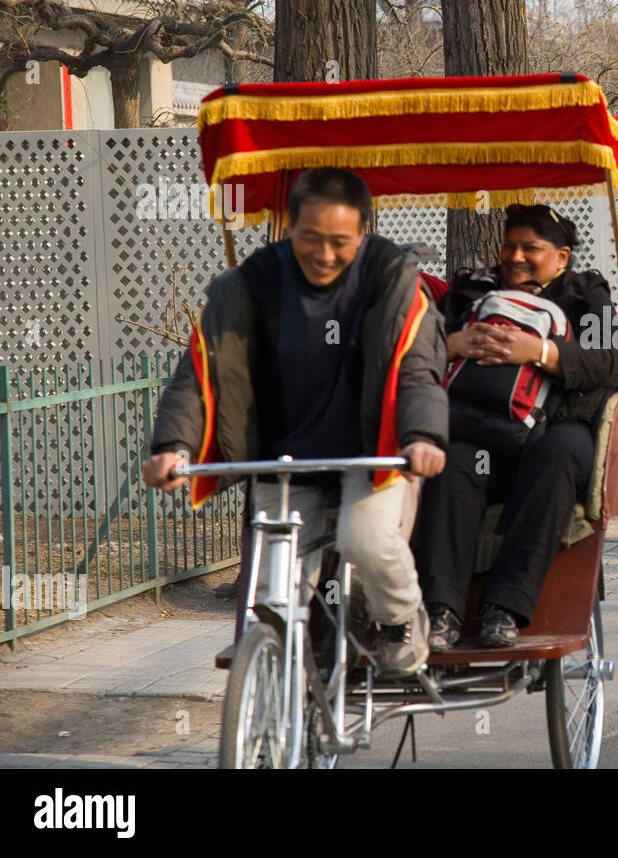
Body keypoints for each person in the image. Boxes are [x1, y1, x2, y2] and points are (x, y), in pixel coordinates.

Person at [142, 167, 449, 678]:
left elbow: (417, 370)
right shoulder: (250, 286)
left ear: (364, 233)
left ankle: (399, 620)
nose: (323, 255)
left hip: (371, 454)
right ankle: (283, 702)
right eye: (310, 238)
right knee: (270, 595)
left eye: (339, 242)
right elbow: (201, 377)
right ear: (289, 226)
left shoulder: (389, 282)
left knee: (365, 541)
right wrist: (174, 447)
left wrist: (421, 437)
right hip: (284, 458)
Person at [418, 205, 618, 651]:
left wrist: (541, 351)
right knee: (452, 463)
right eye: (509, 246)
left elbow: (610, 363)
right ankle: (441, 610)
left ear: (562, 257)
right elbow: (417, 349)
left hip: (556, 429)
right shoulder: (471, 289)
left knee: (560, 457)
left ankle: (504, 608)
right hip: (479, 430)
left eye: (531, 249)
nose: (516, 257)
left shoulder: (586, 293)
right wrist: (454, 344)